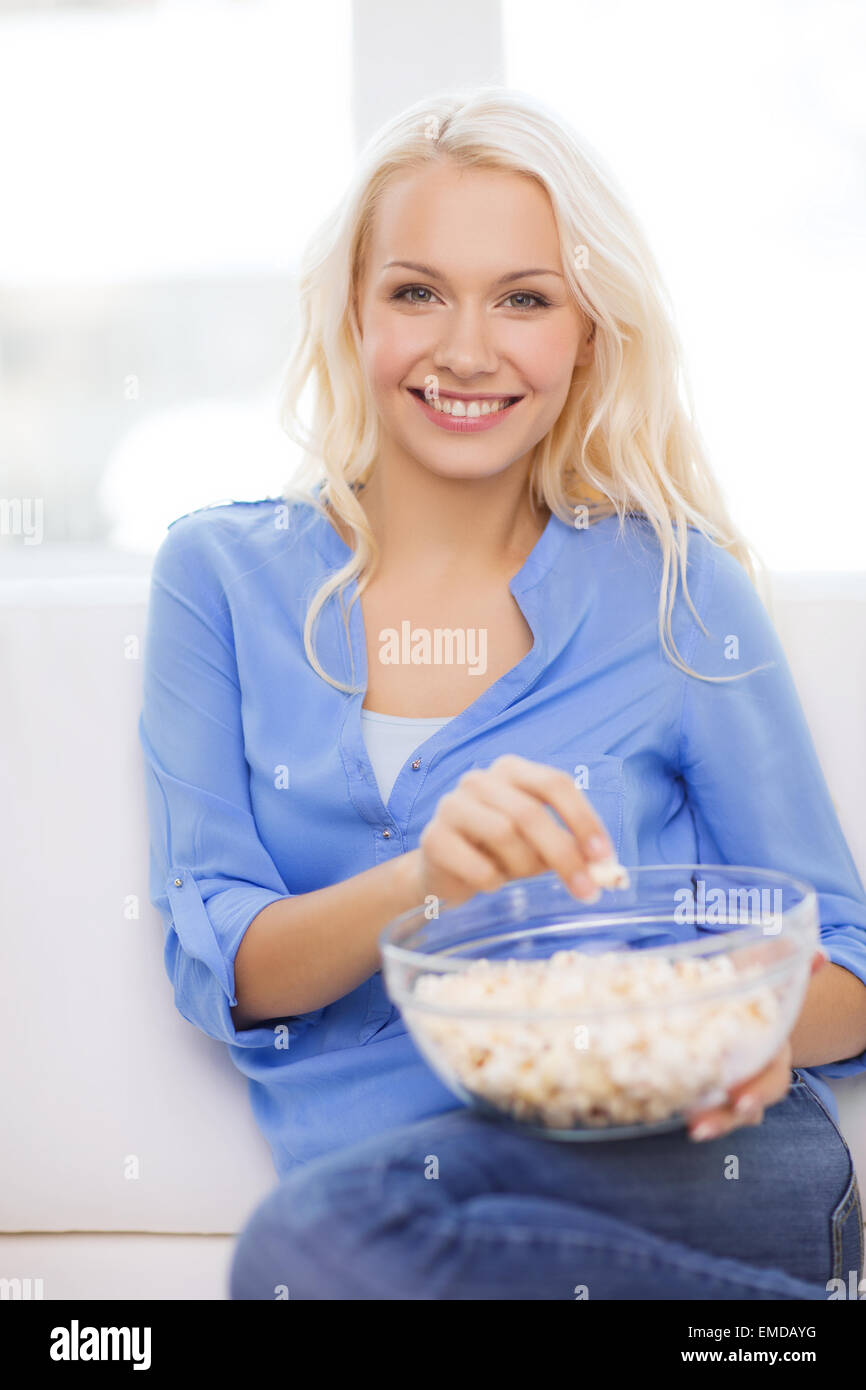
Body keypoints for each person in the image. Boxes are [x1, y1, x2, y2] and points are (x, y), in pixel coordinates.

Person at [139, 87, 866, 1300]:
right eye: (416, 291)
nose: (465, 349)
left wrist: (696, 1030)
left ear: (586, 332)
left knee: (306, 1256)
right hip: (395, 1217)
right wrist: (425, 880)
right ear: (352, 312)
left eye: (523, 299)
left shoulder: (674, 586)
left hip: (696, 1164)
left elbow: (843, 966)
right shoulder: (219, 578)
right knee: (332, 1243)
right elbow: (221, 959)